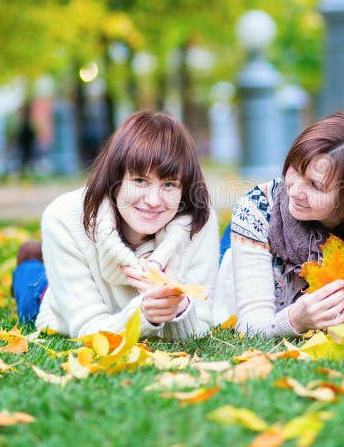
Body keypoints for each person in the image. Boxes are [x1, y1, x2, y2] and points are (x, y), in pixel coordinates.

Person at [14, 111, 219, 340]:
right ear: (116, 178)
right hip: (60, 299)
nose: (153, 200)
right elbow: (86, 327)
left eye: (169, 185)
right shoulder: (63, 217)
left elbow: (200, 325)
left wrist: (180, 308)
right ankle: (29, 262)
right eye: (140, 181)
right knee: (33, 286)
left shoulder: (199, 223)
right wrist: (142, 315)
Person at [214, 110, 344, 336]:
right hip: (248, 242)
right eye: (296, 170)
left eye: (316, 186)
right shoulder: (255, 207)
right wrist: (294, 321)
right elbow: (251, 327)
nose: (295, 191)